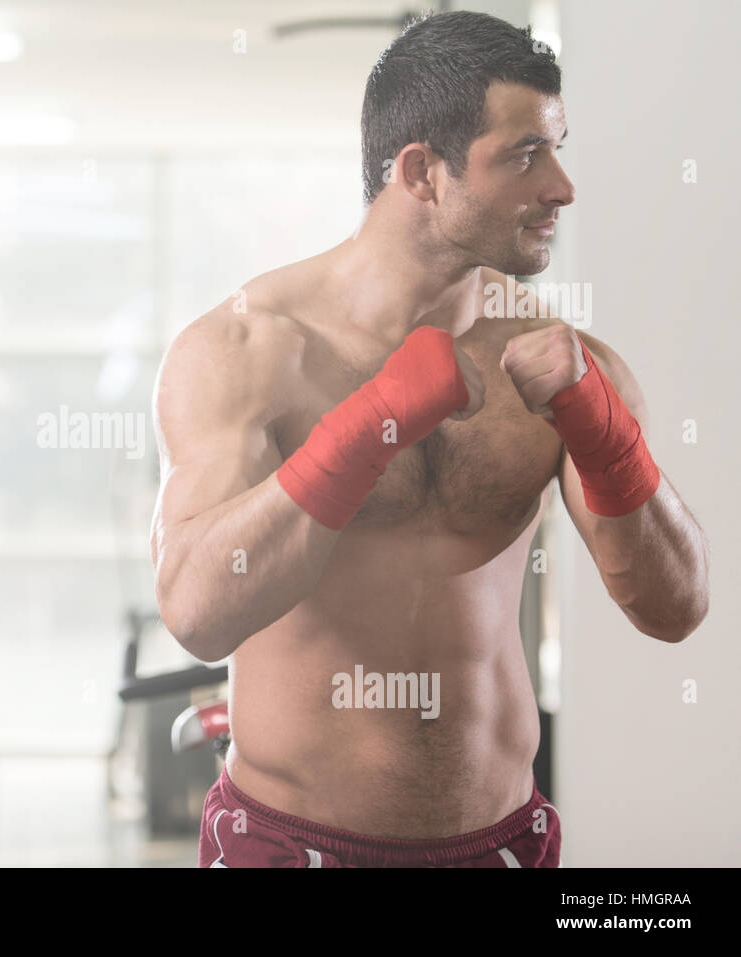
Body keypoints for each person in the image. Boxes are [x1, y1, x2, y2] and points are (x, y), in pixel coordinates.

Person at [149, 10, 709, 868]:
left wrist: (607, 435)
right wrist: (363, 428)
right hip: (291, 844)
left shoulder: (566, 365)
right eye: (526, 154)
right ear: (421, 172)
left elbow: (676, 608)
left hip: (505, 842)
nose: (562, 186)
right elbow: (195, 611)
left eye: (558, 149)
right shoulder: (247, 351)